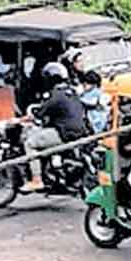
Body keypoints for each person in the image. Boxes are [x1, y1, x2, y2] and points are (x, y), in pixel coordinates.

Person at [22, 62, 88, 192]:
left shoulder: (55, 95)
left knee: (30, 143)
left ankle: (37, 180)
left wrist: (26, 118)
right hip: (80, 131)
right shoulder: (72, 92)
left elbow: (40, 113)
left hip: (65, 133)